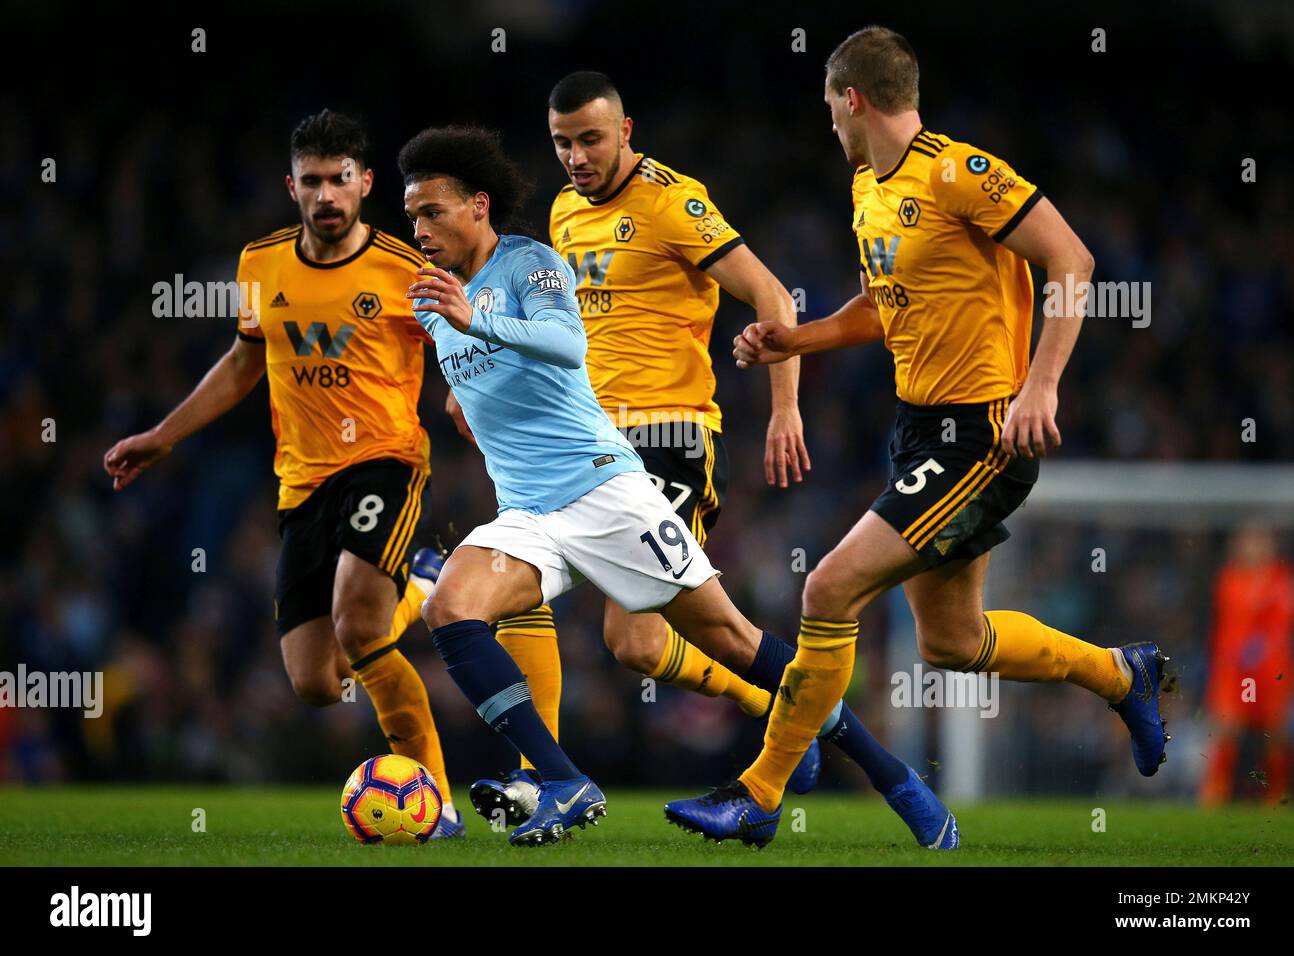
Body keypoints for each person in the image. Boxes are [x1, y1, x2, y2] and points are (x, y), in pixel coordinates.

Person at [668, 25, 1171, 844]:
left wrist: (1040, 384)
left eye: (830, 107)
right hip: (918, 430)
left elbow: (1071, 260)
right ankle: (1122, 673)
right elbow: (883, 307)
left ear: (853, 99)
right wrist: (799, 340)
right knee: (952, 641)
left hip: (981, 436)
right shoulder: (870, 187)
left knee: (827, 589)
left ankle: (758, 796)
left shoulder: (957, 171)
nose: (829, 124)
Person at [401, 123, 957, 848]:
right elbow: (488, 378)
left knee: (734, 641)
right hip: (529, 514)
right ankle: (561, 780)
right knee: (452, 607)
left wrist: (479, 320)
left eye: (432, 211)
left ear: (478, 205)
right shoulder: (430, 299)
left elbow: (567, 344)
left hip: (606, 493)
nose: (419, 229)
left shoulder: (529, 264)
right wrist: (463, 394)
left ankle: (893, 777)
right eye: (411, 216)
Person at [450, 70, 821, 824]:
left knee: (635, 633)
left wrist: (786, 410)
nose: (577, 156)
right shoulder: (562, 209)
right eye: (562, 143)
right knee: (607, 637)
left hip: (669, 433)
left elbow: (774, 295)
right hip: (582, 441)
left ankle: (787, 716)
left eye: (591, 139)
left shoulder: (671, 202)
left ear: (625, 131)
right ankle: (541, 777)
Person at [103, 110, 463, 836]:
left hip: (385, 461)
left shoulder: (405, 271)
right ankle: (422, 584)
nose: (326, 195)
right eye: (312, 181)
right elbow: (244, 362)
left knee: (360, 628)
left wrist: (464, 389)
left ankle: (438, 804)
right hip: (301, 483)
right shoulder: (259, 264)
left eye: (339, 180)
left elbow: (461, 344)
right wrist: (164, 436)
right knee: (315, 683)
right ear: (290, 186)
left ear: (364, 183)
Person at [1202, 524, 1294, 804]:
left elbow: (1284, 622)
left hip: (1272, 670)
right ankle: (1214, 794)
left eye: (1258, 542)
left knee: (1275, 733)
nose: (1252, 548)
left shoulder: (1283, 579)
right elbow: (1226, 626)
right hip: (1233, 670)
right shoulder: (1230, 579)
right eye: (1247, 542)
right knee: (1226, 728)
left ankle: (1277, 794)